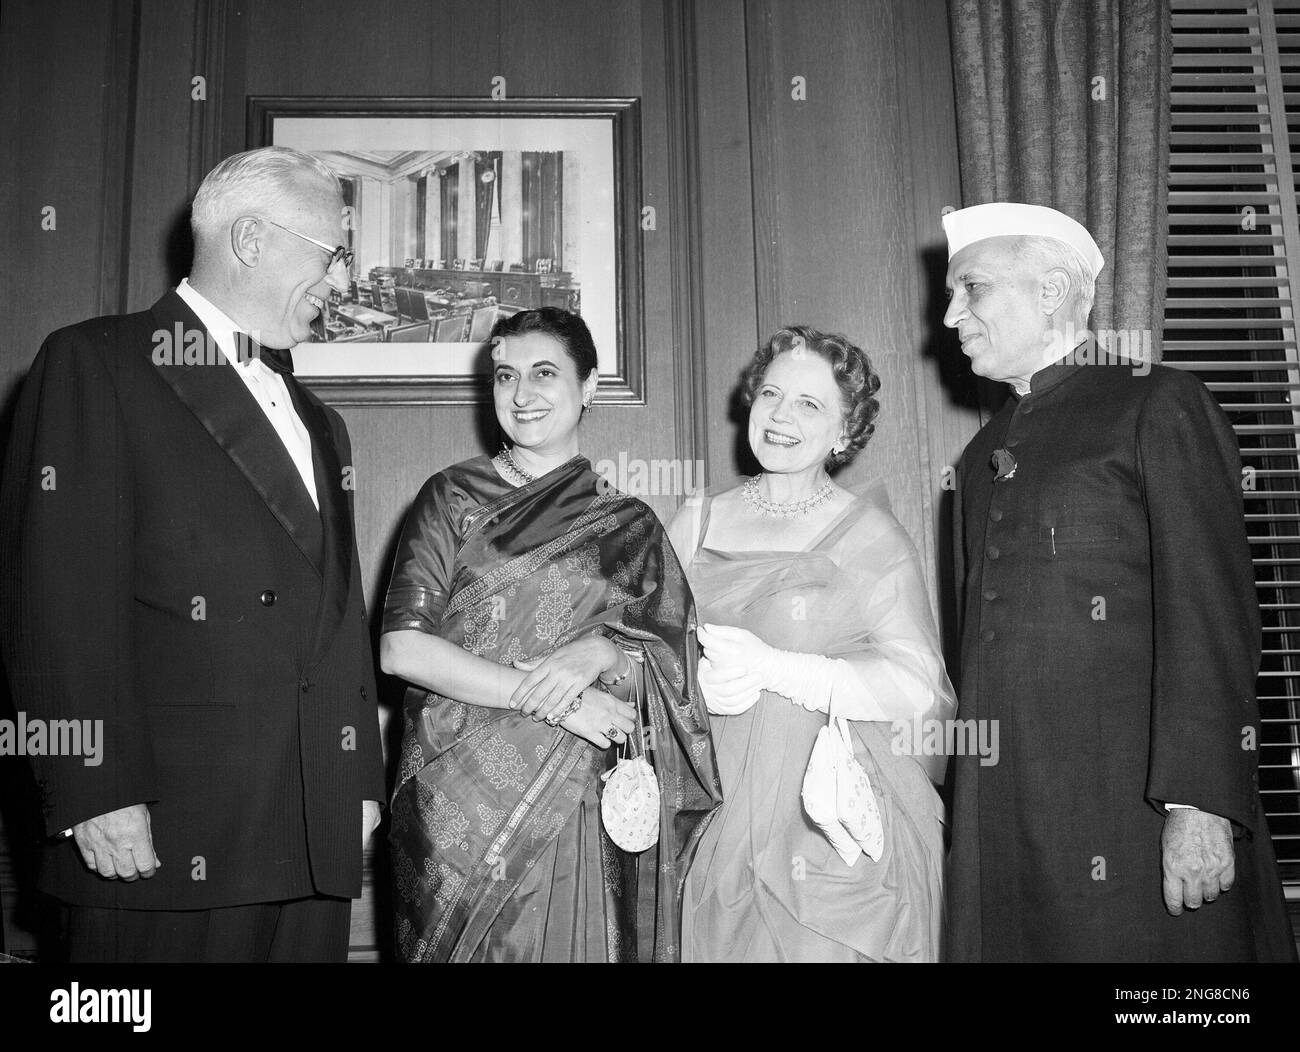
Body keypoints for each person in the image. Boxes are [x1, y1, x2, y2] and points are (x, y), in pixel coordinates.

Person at [0, 146, 386, 962]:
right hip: (160, 837)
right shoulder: (96, 363)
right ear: (252, 239)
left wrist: (355, 785)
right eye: (335, 253)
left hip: (311, 838)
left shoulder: (322, 421)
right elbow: (52, 600)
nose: (345, 283)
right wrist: (93, 790)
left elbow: (336, 614)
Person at [942, 201, 1296, 962]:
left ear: (1052, 289)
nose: (949, 316)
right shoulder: (977, 461)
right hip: (1006, 828)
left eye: (969, 289)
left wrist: (1199, 803)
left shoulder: (1158, 402)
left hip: (1140, 818)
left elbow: (1212, 614)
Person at [380, 307, 721, 962]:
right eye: (504, 377)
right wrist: (555, 696)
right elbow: (402, 648)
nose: (521, 395)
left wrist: (604, 649)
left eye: (544, 373)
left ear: (589, 385)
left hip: (577, 801)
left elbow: (671, 671)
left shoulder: (629, 523)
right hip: (458, 806)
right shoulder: (451, 498)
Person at [670, 325, 956, 962]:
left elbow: (919, 684)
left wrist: (784, 670)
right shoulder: (698, 520)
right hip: (712, 802)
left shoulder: (869, 534)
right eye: (771, 394)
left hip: (823, 816)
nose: (781, 416)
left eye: (810, 404)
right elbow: (649, 652)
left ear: (845, 431)